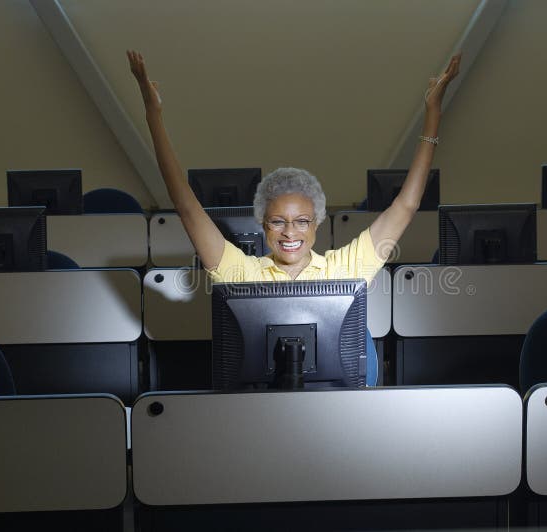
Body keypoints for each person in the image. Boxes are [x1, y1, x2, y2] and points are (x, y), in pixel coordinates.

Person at [128, 49, 460, 383]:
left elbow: (406, 206)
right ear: (263, 224)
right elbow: (186, 207)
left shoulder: (343, 268)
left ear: (316, 223)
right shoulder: (241, 272)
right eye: (278, 221)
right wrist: (153, 116)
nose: (290, 233)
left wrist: (433, 113)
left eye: (302, 221)